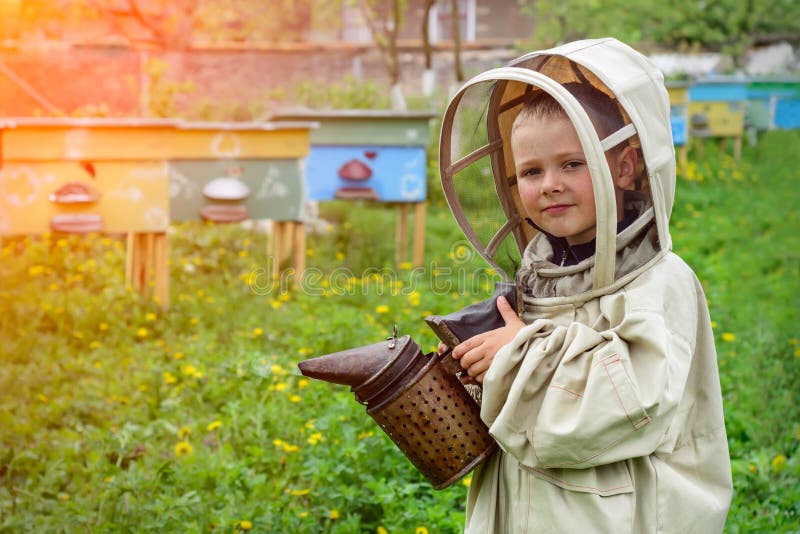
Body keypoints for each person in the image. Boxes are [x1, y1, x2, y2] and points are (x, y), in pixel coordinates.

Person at [436, 38, 733, 533]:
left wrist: (519, 353)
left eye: (572, 163)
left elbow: (626, 405)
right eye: (531, 171)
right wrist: (474, 373)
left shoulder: (659, 282)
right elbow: (530, 405)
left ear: (622, 165)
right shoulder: (539, 277)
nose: (549, 183)